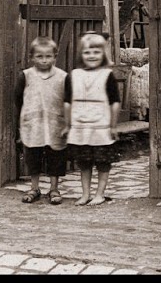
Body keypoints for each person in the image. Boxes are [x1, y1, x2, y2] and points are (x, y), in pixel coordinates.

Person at [64, 31, 121, 206]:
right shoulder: (74, 75)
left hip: (101, 127)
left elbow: (114, 102)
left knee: (103, 162)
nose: (92, 56)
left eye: (96, 52)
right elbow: (67, 102)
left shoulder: (107, 75)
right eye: (87, 52)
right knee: (84, 163)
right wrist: (68, 124)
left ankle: (100, 194)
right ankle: (85, 194)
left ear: (103, 54)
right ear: (81, 54)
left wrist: (113, 126)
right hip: (80, 128)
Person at [14, 36, 68, 204]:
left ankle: (54, 188)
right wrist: (22, 122)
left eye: (48, 56)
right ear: (32, 57)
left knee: (55, 156)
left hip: (55, 123)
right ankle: (34, 187)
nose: (44, 60)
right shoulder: (26, 76)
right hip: (33, 124)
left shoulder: (62, 77)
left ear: (55, 56)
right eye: (39, 56)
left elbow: (68, 100)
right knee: (33, 156)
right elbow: (18, 100)